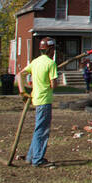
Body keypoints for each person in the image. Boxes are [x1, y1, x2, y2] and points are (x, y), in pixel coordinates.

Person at [18, 37, 59, 167]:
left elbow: (19, 75)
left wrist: (22, 91)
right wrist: (54, 77)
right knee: (42, 130)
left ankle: (31, 157)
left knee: (38, 129)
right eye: (53, 50)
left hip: (36, 99)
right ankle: (38, 160)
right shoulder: (51, 64)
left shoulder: (35, 62)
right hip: (44, 100)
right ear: (51, 50)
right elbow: (54, 85)